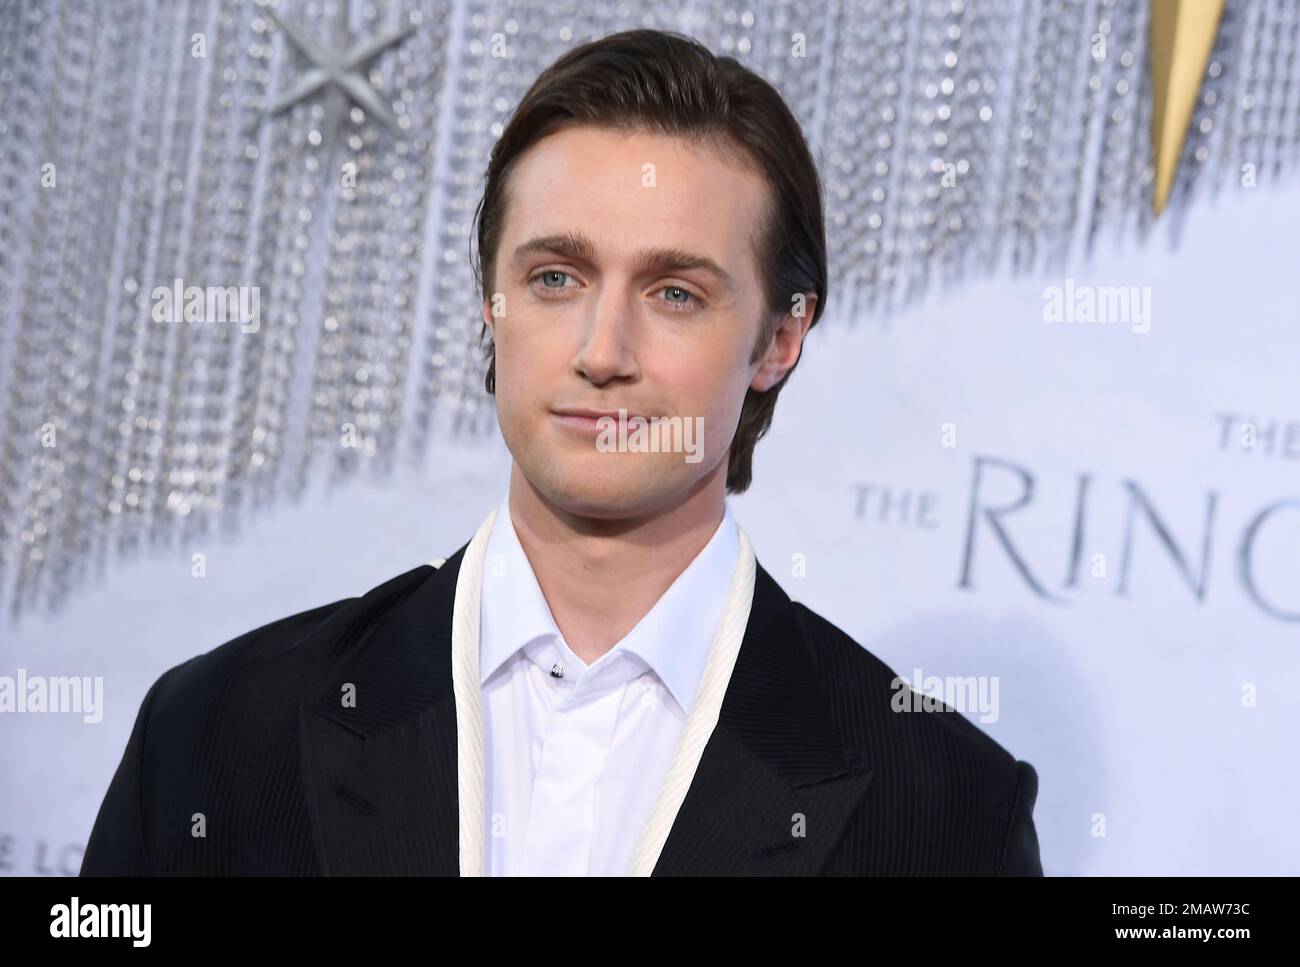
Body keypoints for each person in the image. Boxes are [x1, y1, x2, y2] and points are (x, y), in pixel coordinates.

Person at [81, 28, 1042, 876]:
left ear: (780, 339)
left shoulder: (950, 814)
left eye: (675, 293)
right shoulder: (217, 730)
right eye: (554, 276)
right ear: (490, 302)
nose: (600, 352)